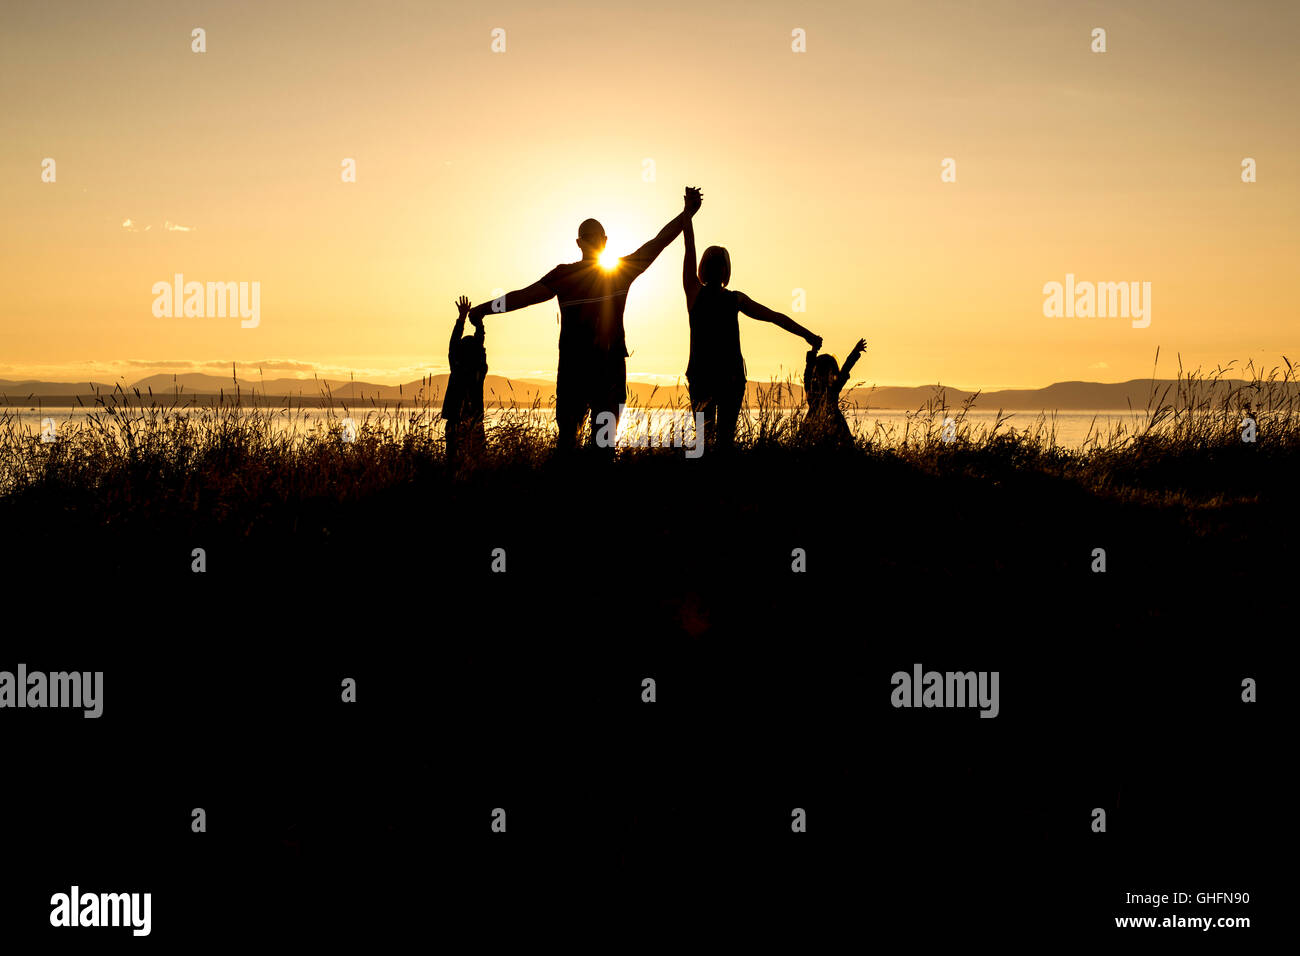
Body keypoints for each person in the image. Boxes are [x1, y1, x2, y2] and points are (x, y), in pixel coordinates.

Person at [467, 188, 702, 456]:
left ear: (579, 243)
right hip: (607, 371)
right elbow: (658, 242)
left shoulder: (564, 276)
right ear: (604, 241)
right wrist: (686, 215)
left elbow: (523, 297)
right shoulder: (619, 272)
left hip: (573, 371)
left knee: (568, 443)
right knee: (603, 448)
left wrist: (484, 309)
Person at [681, 201, 821, 450]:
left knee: (708, 443)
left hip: (718, 378)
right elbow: (775, 316)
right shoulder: (724, 297)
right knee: (717, 443)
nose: (714, 266)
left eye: (716, 262)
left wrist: (688, 213)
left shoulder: (706, 295)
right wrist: (807, 334)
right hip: (722, 378)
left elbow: (774, 316)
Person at [442, 295, 487, 463]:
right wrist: (478, 323)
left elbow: (453, 344)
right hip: (475, 420)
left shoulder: (457, 367)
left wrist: (462, 317)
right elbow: (479, 343)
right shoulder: (479, 370)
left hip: (455, 418)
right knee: (478, 460)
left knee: (452, 460)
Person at [801, 338, 866, 446]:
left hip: (815, 423)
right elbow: (845, 369)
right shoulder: (828, 387)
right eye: (829, 372)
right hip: (836, 424)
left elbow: (809, 368)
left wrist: (814, 350)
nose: (830, 375)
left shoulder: (812, 386)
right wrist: (855, 352)